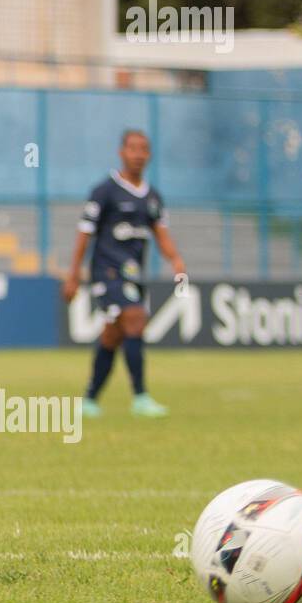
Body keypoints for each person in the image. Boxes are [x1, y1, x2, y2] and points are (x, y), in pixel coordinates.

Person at [62, 129, 185, 419]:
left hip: (134, 274)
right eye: (133, 148)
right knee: (135, 318)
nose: (138, 154)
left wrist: (176, 259)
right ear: (121, 152)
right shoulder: (104, 192)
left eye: (144, 149)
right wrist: (73, 275)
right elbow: (84, 234)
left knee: (112, 335)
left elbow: (161, 234)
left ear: (150, 154)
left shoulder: (152, 197)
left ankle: (89, 400)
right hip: (107, 272)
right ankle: (140, 397)